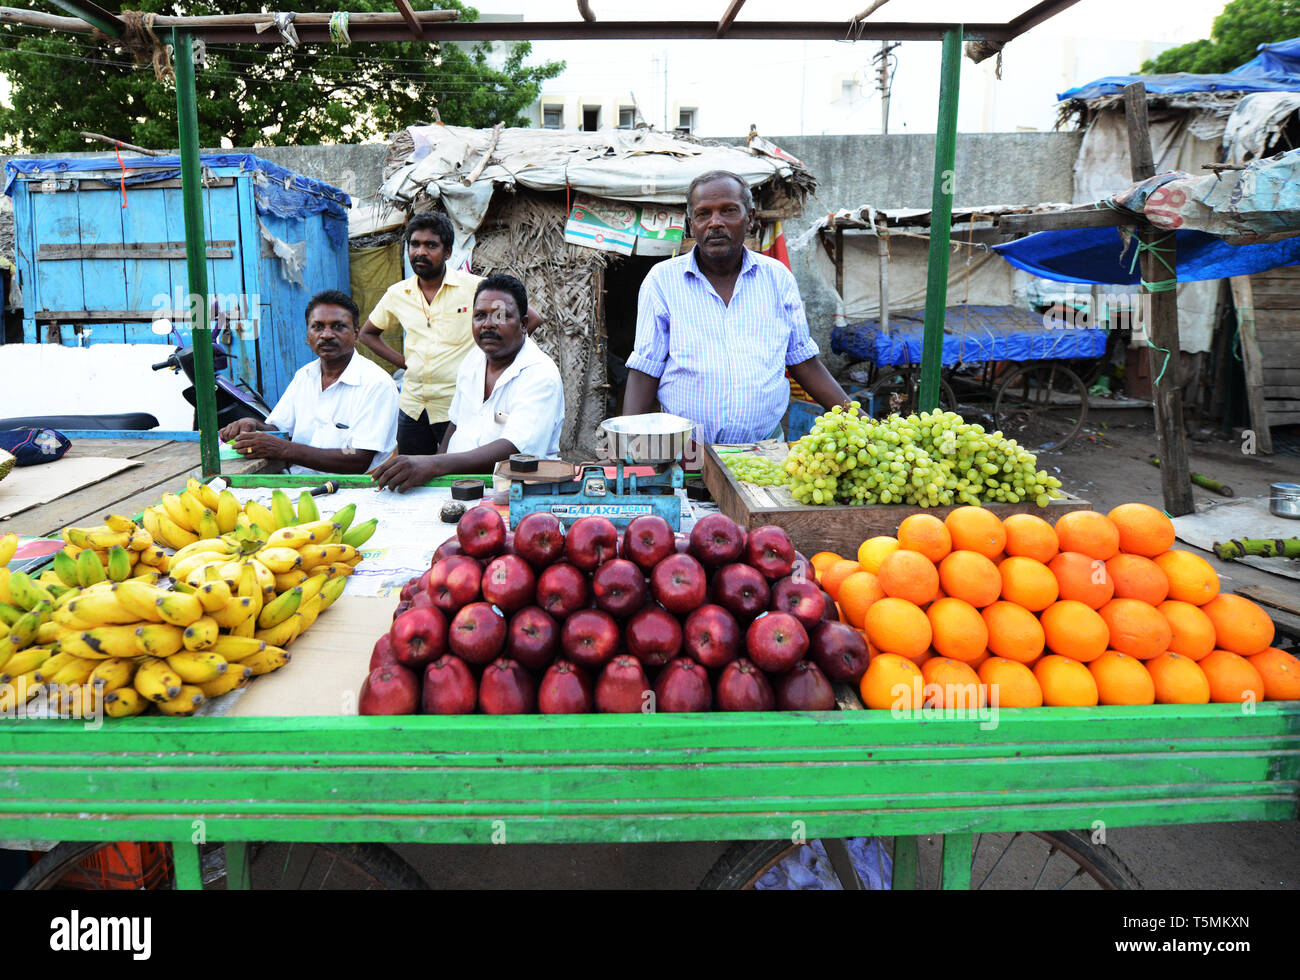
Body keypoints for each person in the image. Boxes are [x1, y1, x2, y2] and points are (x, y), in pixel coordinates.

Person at [623, 170, 850, 446]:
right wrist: (627, 446)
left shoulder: (777, 278)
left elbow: (803, 360)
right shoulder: (662, 282)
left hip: (764, 452)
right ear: (691, 223)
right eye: (703, 214)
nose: (715, 223)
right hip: (686, 454)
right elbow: (645, 369)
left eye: (728, 211)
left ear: (750, 219)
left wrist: (855, 418)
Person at [360, 213, 541, 456]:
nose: (420, 252)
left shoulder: (476, 288)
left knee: (458, 478)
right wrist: (405, 363)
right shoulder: (397, 293)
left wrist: (490, 362)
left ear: (447, 252)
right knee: (412, 480)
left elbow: (531, 318)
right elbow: (368, 333)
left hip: (458, 406)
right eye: (414, 244)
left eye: (430, 245)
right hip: (414, 406)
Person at [371, 274, 564, 493]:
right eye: (480, 316)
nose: (488, 324)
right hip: (458, 488)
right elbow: (456, 424)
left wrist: (433, 465)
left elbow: (514, 449)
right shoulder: (473, 360)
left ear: (523, 324)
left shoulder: (539, 374)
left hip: (514, 493)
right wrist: (435, 473)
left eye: (501, 316)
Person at [219, 290, 399, 475]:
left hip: (353, 490)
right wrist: (255, 425)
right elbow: (280, 429)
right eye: (318, 327)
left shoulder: (377, 384)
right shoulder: (304, 376)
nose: (327, 335)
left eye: (338, 327)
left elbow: (358, 458)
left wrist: (283, 449)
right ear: (308, 336)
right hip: (297, 482)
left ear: (356, 334)